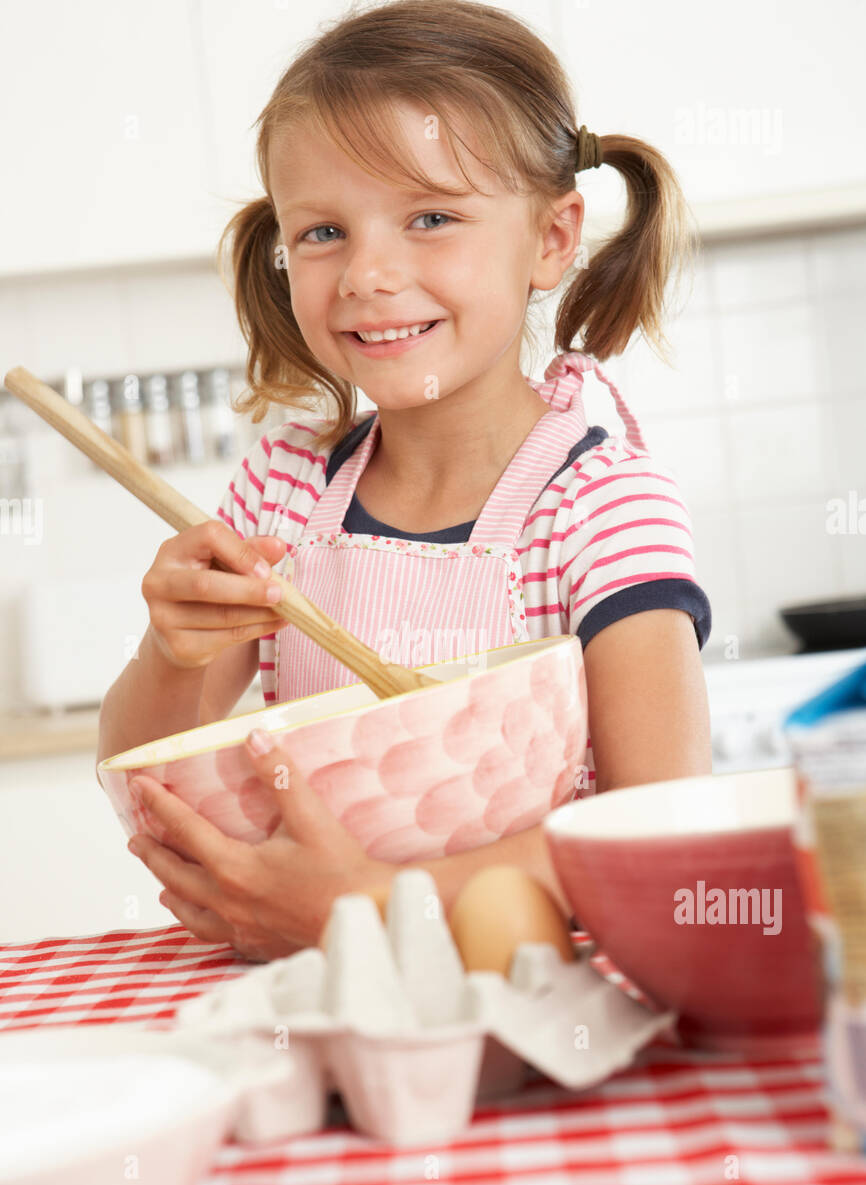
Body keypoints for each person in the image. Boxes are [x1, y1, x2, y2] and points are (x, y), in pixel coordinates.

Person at [101, 0, 713, 959]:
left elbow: (662, 830)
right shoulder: (284, 490)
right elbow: (134, 763)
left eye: (431, 217)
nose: (368, 274)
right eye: (323, 232)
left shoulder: (601, 507)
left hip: (532, 1004)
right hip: (317, 994)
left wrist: (375, 902)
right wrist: (171, 653)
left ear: (552, 239)